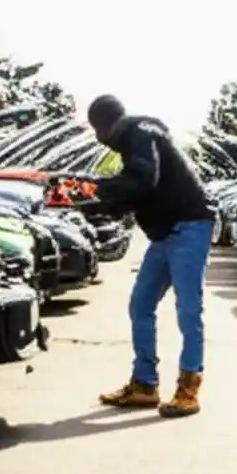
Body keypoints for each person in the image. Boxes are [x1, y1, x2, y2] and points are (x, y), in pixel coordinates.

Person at [83, 94, 214, 417]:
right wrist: (95, 199)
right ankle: (144, 384)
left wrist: (100, 188)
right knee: (140, 304)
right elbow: (138, 192)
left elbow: (143, 180)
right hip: (166, 232)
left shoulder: (137, 135)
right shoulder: (138, 136)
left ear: (102, 127)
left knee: (188, 309)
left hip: (189, 226)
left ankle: (188, 388)